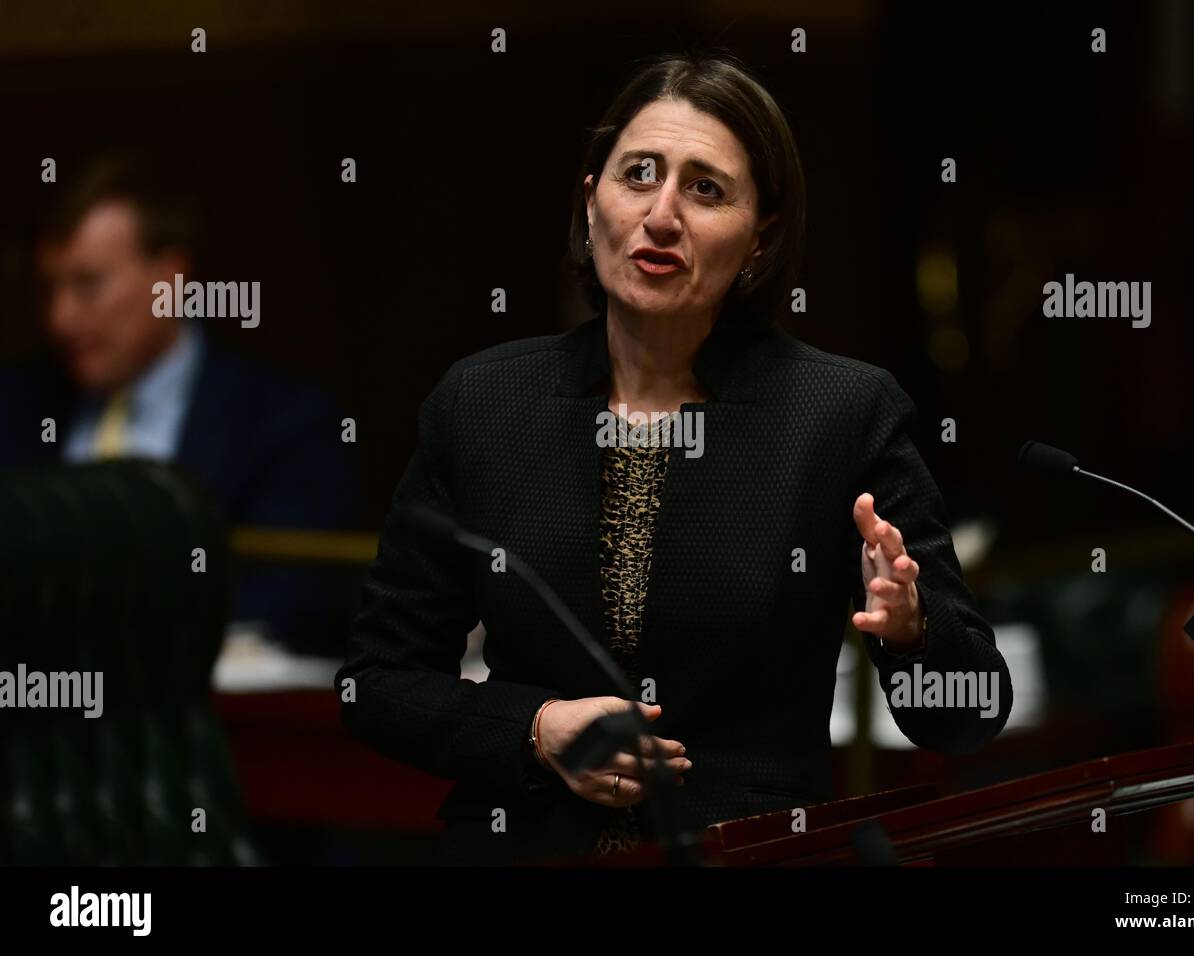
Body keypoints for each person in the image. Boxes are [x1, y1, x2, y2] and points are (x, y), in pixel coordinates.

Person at [337, 51, 1012, 865]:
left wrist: (912, 634)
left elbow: (968, 714)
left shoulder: (839, 415)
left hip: (746, 854)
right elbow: (374, 684)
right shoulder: (483, 405)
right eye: (639, 175)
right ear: (591, 204)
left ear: (760, 236)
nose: (662, 215)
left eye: (706, 189)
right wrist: (533, 729)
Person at [0, 155, 358, 654]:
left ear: (169, 278)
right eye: (49, 289)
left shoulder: (281, 422)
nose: (61, 318)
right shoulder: (14, 405)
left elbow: (295, 604)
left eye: (87, 284)